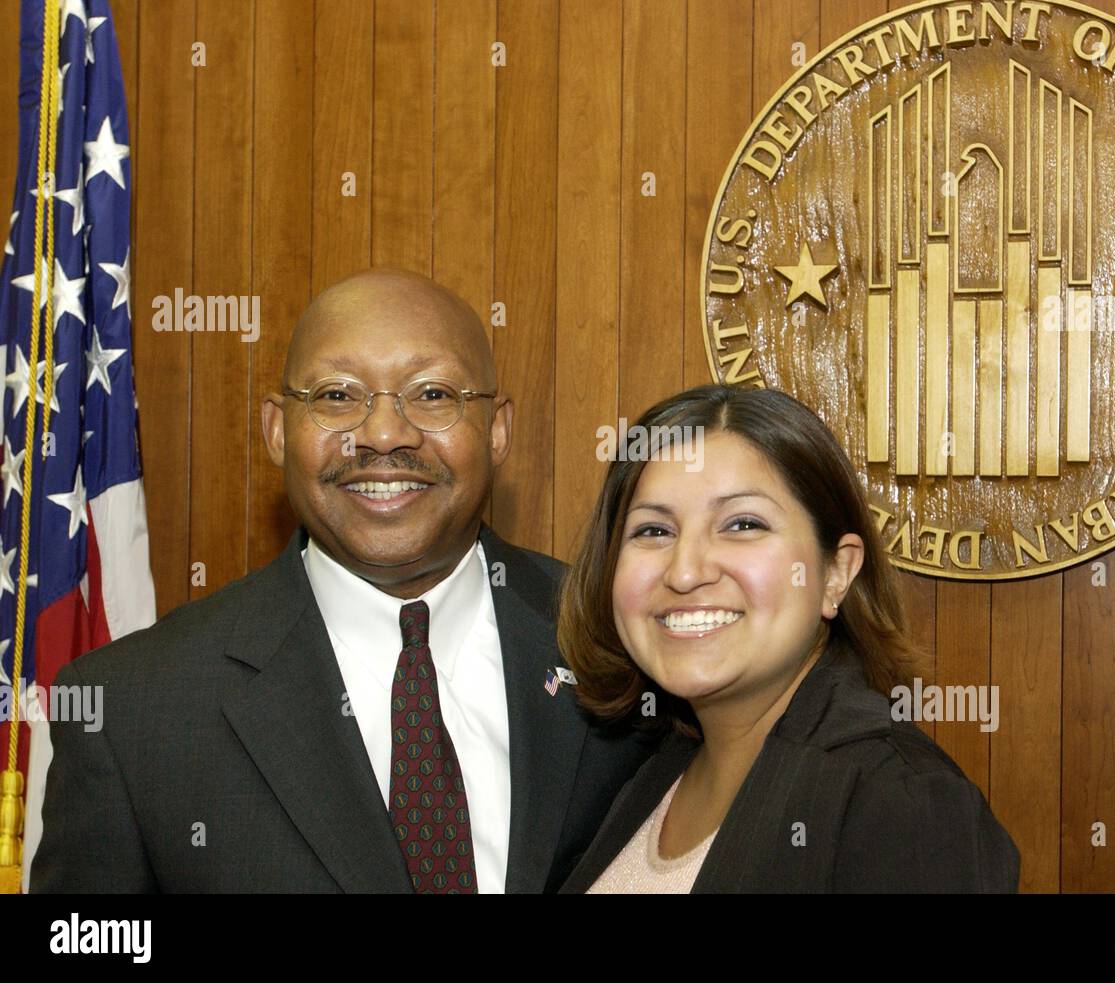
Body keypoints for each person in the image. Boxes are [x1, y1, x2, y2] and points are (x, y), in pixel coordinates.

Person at [30, 268, 655, 893]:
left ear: (497, 431)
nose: (384, 435)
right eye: (336, 396)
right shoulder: (131, 709)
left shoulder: (624, 643)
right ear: (277, 430)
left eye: (434, 394)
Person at [557, 384, 1020, 893]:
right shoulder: (655, 768)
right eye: (653, 531)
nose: (685, 572)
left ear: (836, 574)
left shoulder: (904, 803)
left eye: (742, 524)